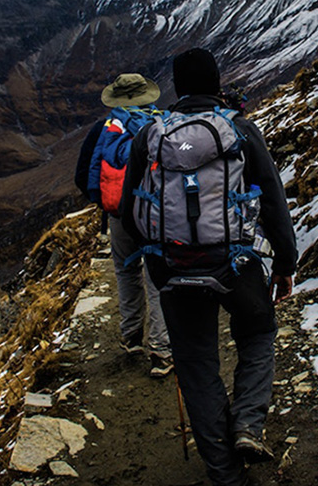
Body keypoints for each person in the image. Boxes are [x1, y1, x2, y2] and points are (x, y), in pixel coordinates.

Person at [121, 48, 297, 486]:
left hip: (173, 267)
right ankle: (248, 424)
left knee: (197, 365)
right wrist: (284, 263)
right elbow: (273, 200)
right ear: (218, 84)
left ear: (177, 88)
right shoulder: (240, 130)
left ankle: (225, 473)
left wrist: (157, 261)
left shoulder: (151, 136)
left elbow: (129, 212)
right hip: (235, 264)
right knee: (258, 333)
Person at [75, 72, 173, 378]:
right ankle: (161, 351)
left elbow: (82, 175)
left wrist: (106, 201)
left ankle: (131, 338)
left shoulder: (104, 129)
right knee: (157, 277)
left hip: (119, 214)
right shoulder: (163, 124)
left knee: (126, 271)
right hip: (155, 215)